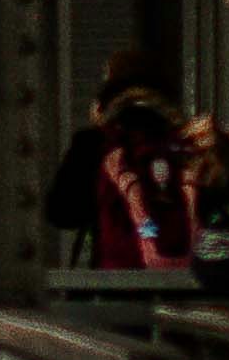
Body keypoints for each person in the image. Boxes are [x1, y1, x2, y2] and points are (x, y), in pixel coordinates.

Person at [47, 48, 197, 273]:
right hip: (187, 286)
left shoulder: (96, 143)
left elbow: (62, 213)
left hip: (116, 288)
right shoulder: (185, 142)